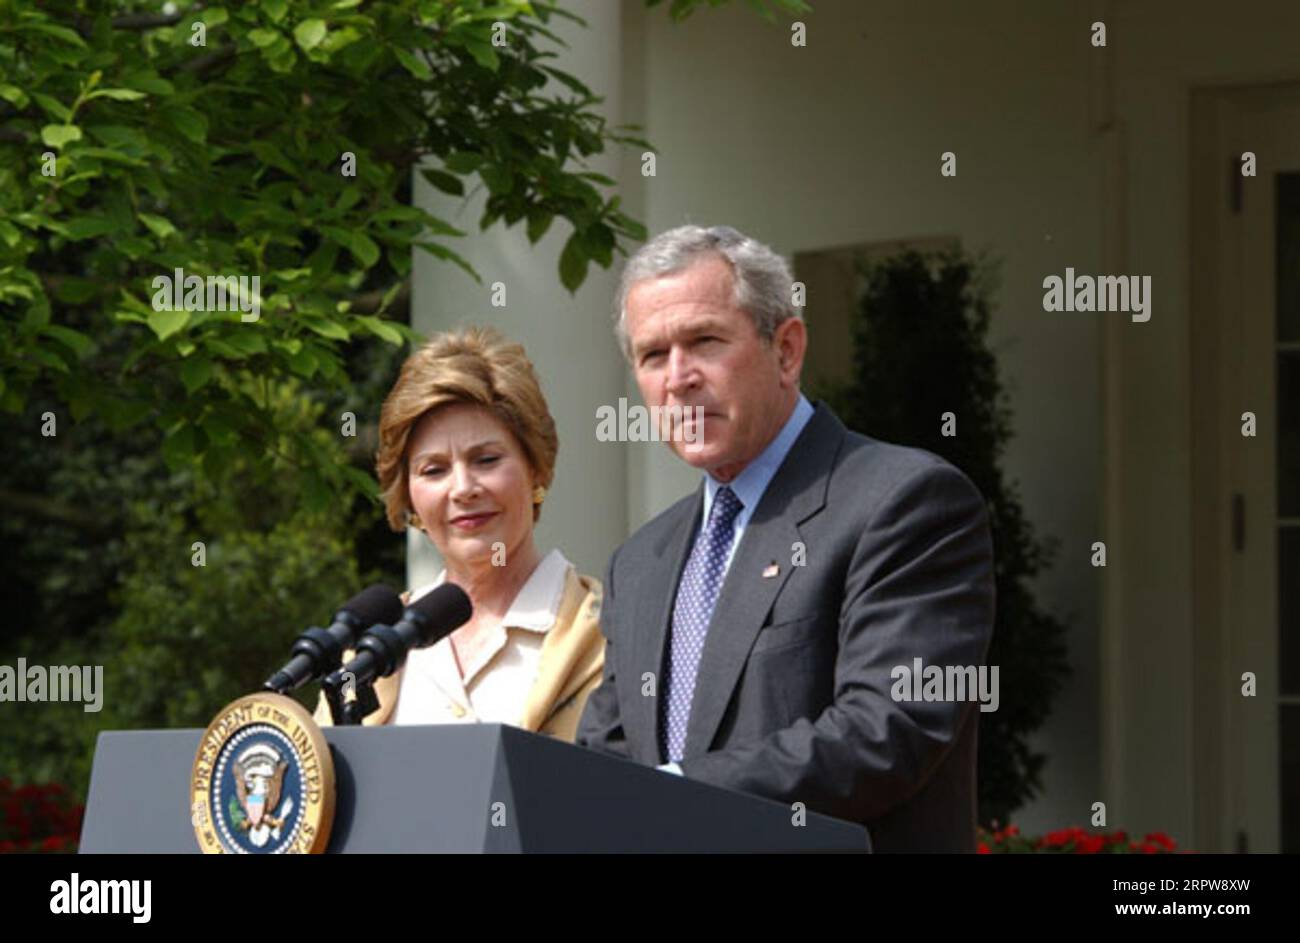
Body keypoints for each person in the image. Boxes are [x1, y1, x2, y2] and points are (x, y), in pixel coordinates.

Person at [576, 225, 996, 851]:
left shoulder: (906, 502)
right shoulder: (640, 562)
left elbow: (885, 732)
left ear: (787, 350)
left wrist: (672, 793)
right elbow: (604, 764)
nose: (678, 378)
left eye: (704, 341)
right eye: (652, 355)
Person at [314, 328, 604, 741]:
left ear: (535, 468)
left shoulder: (609, 633)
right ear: (409, 496)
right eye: (434, 470)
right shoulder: (366, 651)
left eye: (486, 459)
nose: (463, 488)